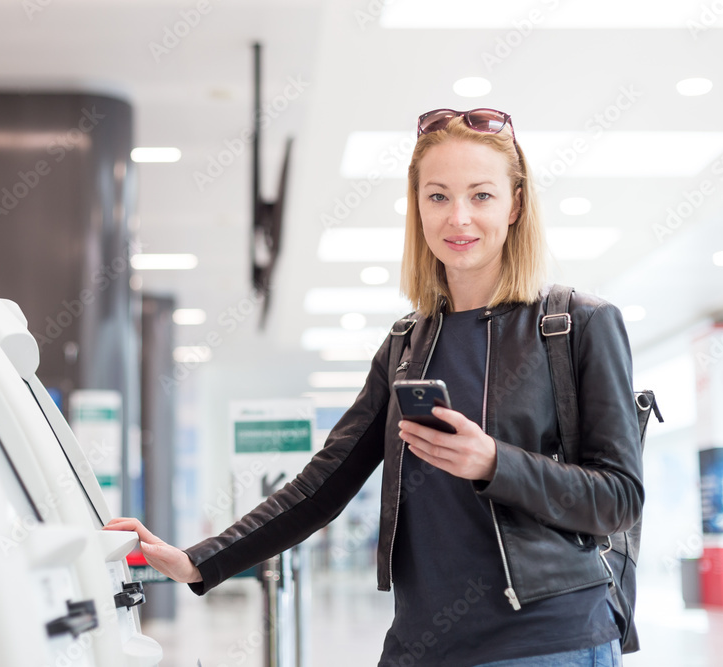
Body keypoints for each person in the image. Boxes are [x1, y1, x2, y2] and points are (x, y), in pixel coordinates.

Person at [106, 108, 643, 666]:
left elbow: (620, 498)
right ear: (417, 206)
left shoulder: (576, 324)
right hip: (419, 645)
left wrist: (494, 463)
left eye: (481, 195)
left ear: (517, 205)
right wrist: (200, 560)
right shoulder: (407, 343)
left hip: (543, 641)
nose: (458, 218)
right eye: (437, 197)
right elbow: (325, 483)